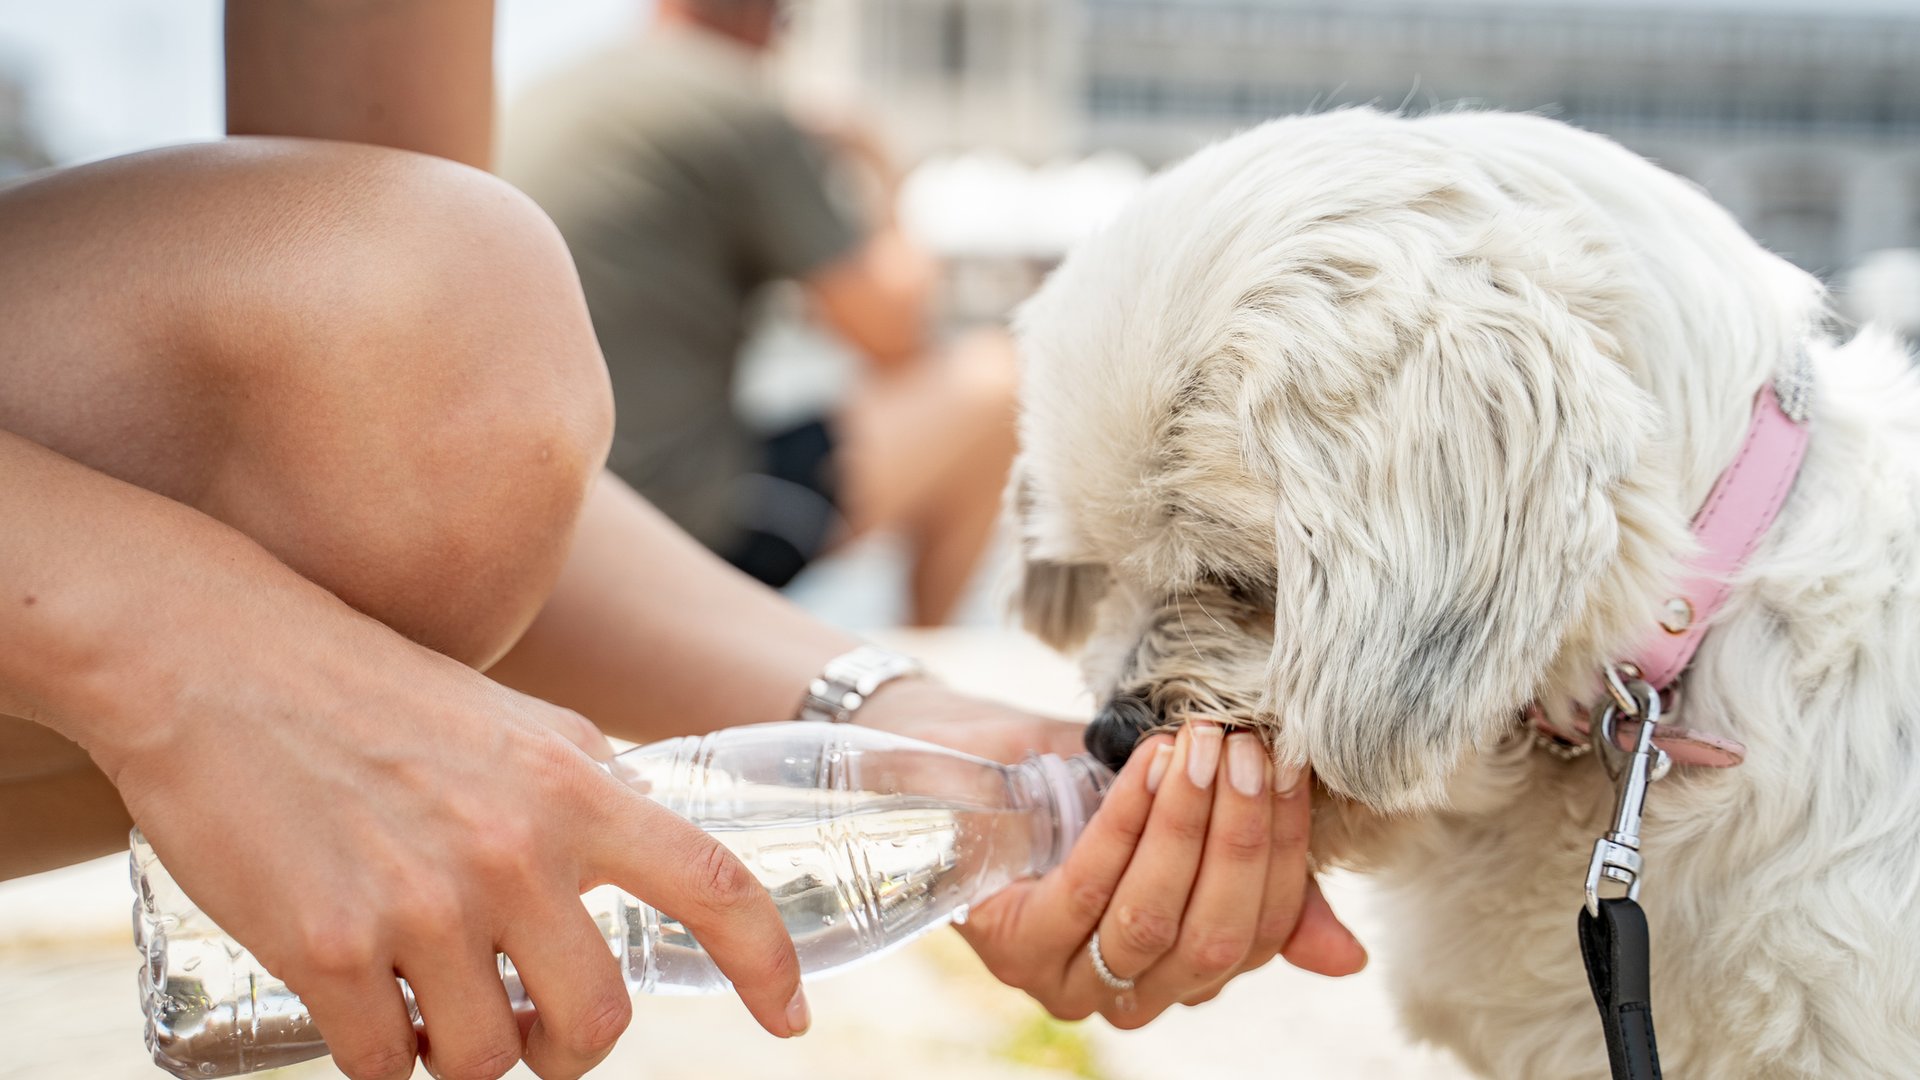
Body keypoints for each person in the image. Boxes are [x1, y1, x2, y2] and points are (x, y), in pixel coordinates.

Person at [0, 3, 1364, 1079]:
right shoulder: (755, 112)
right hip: (682, 475)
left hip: (578, 469)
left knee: (418, 340)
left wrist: (911, 722)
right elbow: (890, 325)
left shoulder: (606, 79)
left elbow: (395, 458)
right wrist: (190, 656)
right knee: (974, 391)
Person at [500, 0, 1015, 625]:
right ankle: (928, 651)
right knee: (995, 382)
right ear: (771, 18)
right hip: (678, 533)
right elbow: (895, 336)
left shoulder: (556, 86)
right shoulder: (739, 104)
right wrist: (879, 163)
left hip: (533, 527)